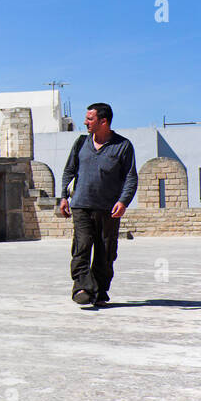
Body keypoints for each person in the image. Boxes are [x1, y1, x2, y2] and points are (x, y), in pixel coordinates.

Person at [59, 102, 137, 308]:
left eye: (90, 119)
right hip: (81, 205)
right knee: (81, 247)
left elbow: (130, 178)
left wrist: (123, 201)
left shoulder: (123, 146)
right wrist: (64, 196)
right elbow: (69, 171)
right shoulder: (80, 143)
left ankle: (100, 291)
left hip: (108, 209)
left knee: (106, 251)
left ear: (103, 121)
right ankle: (83, 289)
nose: (85, 122)